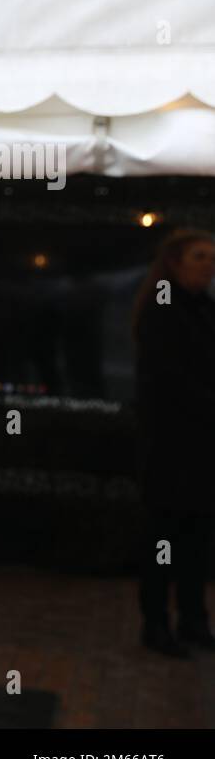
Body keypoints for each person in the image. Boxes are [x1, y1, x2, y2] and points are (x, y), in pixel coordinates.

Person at [132, 228, 215, 658]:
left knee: (195, 537)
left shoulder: (200, 307)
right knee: (164, 536)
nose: (208, 264)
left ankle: (192, 618)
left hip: (198, 445)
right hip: (170, 444)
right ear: (175, 262)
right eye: (200, 256)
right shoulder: (165, 308)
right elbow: (169, 378)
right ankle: (158, 623)